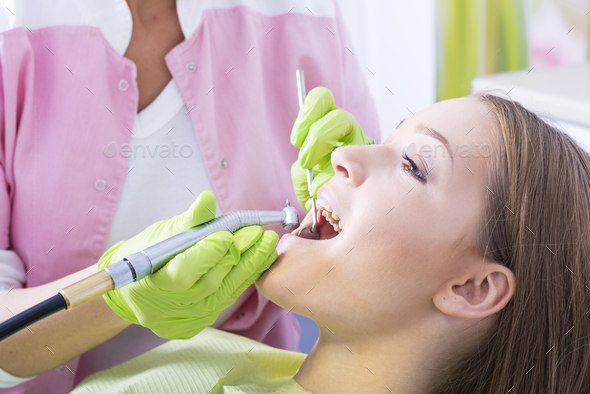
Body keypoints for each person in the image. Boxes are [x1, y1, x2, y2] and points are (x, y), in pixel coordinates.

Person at [70, 90, 590, 393]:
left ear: (473, 287)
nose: (346, 157)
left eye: (412, 165)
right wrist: (108, 293)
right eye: (387, 139)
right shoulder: (203, 356)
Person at [0, 1, 380, 392]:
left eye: (414, 165)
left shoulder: (305, 15)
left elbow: (388, 264)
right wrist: (115, 299)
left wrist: (357, 209)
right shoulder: (13, 27)